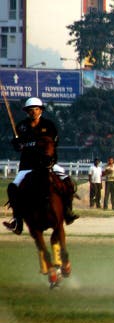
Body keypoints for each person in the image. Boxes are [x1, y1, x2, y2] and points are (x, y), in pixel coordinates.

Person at [3, 97, 79, 234]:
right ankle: (17, 221)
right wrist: (17, 143)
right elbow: (16, 146)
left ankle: (68, 211)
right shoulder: (21, 127)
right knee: (12, 188)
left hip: (47, 165)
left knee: (68, 182)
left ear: (41, 110)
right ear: (27, 111)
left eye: (36, 109)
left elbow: (54, 143)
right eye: (30, 110)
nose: (33, 112)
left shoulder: (49, 125)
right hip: (27, 166)